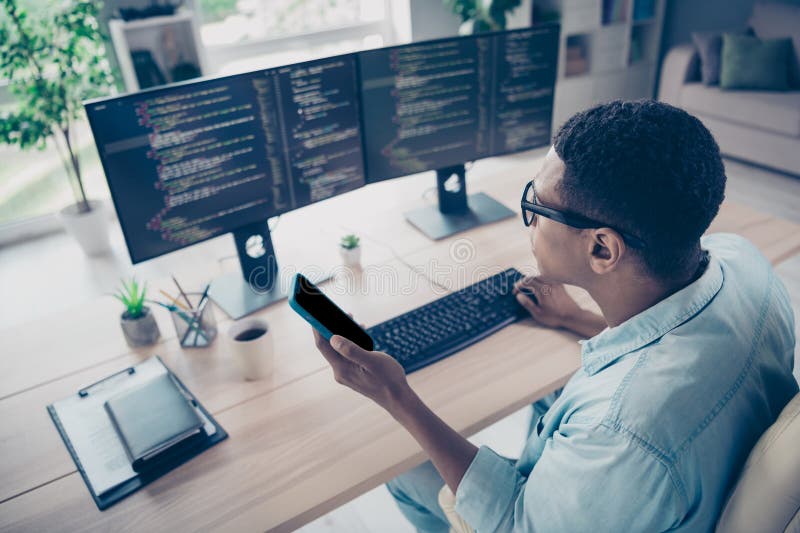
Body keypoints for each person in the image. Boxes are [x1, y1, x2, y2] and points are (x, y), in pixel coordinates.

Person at [312, 100, 798, 532]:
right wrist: (576, 320)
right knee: (550, 395)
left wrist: (396, 395)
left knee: (402, 471)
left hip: (580, 502)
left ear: (603, 247)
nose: (530, 219)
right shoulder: (743, 261)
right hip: (667, 483)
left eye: (535, 205)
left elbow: (517, 522)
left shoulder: (621, 431)